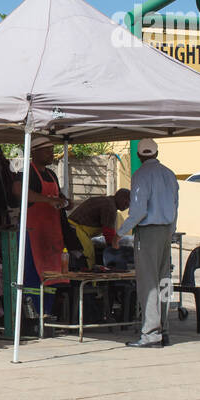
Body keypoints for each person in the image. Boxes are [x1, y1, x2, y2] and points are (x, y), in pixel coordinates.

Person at [120, 139, 179, 348]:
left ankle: (151, 334)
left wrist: (120, 233)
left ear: (139, 156)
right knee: (164, 281)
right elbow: (175, 206)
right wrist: (170, 232)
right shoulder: (169, 174)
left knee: (148, 283)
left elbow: (138, 211)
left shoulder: (140, 175)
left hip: (148, 231)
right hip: (166, 231)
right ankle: (164, 329)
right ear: (156, 153)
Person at [12, 142, 69, 315]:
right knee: (32, 275)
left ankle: (48, 313)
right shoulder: (25, 172)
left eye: (52, 151)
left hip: (51, 235)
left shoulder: (51, 174)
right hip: (32, 234)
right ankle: (33, 316)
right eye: (47, 151)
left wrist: (64, 201)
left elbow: (58, 196)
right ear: (34, 152)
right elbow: (17, 190)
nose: (51, 154)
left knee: (52, 277)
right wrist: (47, 200)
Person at [68, 189, 131, 268]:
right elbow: (108, 232)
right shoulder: (110, 207)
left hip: (72, 229)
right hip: (76, 231)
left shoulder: (106, 201)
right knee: (87, 257)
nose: (127, 205)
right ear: (120, 197)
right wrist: (114, 250)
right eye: (127, 201)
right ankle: (83, 278)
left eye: (129, 204)